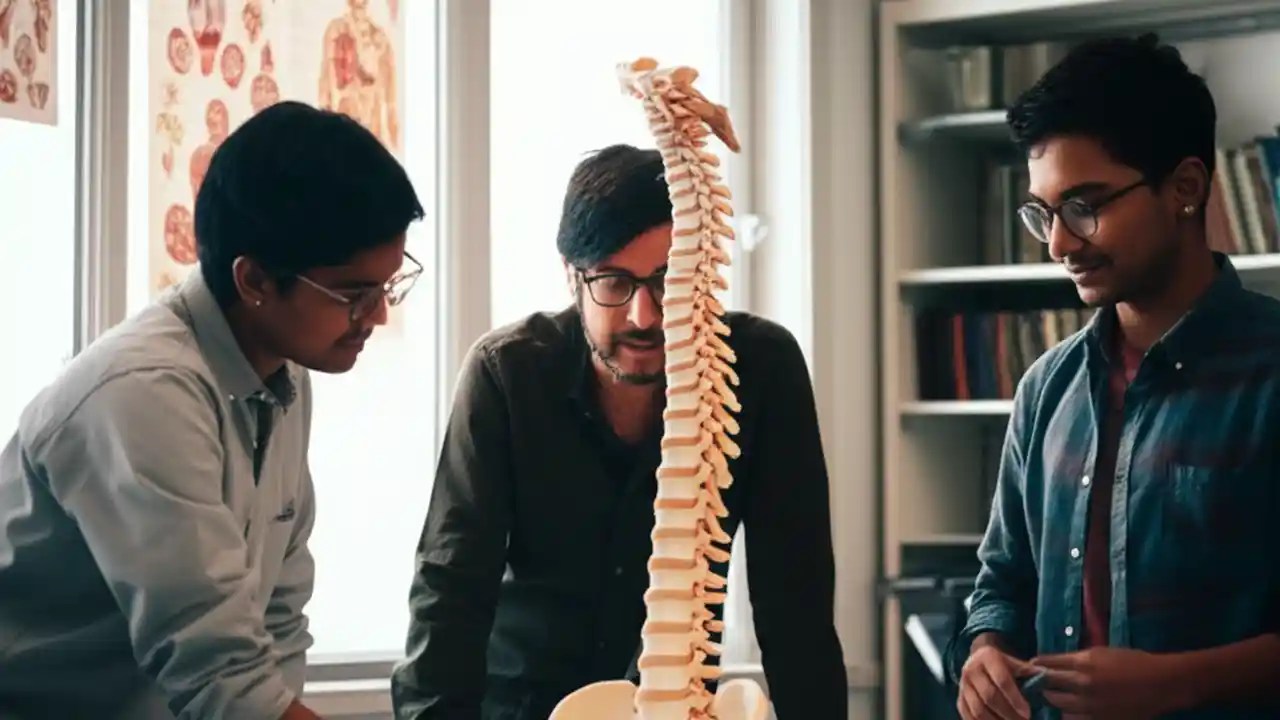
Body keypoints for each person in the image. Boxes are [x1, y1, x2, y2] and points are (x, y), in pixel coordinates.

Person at [0, 101, 425, 719]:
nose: (378, 316)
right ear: (253, 280)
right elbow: (219, 670)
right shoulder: (144, 393)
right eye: (354, 294)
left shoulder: (281, 373)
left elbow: (277, 617)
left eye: (387, 286)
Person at [391, 144, 846, 719]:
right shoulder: (507, 375)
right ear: (572, 278)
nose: (645, 315)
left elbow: (796, 603)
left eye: (669, 280)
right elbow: (449, 590)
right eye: (613, 282)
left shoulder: (760, 368)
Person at [948, 34, 1280, 720]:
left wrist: (1180, 682)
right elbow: (1001, 583)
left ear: (1185, 187)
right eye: (1043, 212)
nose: (1059, 244)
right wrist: (984, 649)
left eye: (1085, 205)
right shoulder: (1047, 388)